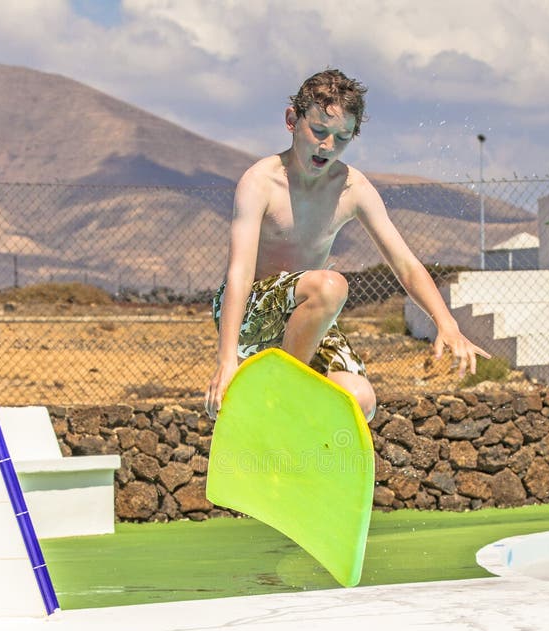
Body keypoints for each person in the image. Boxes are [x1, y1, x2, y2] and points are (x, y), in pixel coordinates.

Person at [205, 68, 489, 422]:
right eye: (319, 131)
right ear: (292, 120)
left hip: (307, 322)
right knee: (330, 286)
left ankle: (293, 427)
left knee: (360, 400)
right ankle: (285, 390)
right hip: (250, 313)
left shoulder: (353, 189)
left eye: (342, 138)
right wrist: (227, 360)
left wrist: (446, 323)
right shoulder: (260, 182)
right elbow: (239, 272)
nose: (327, 146)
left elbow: (406, 265)